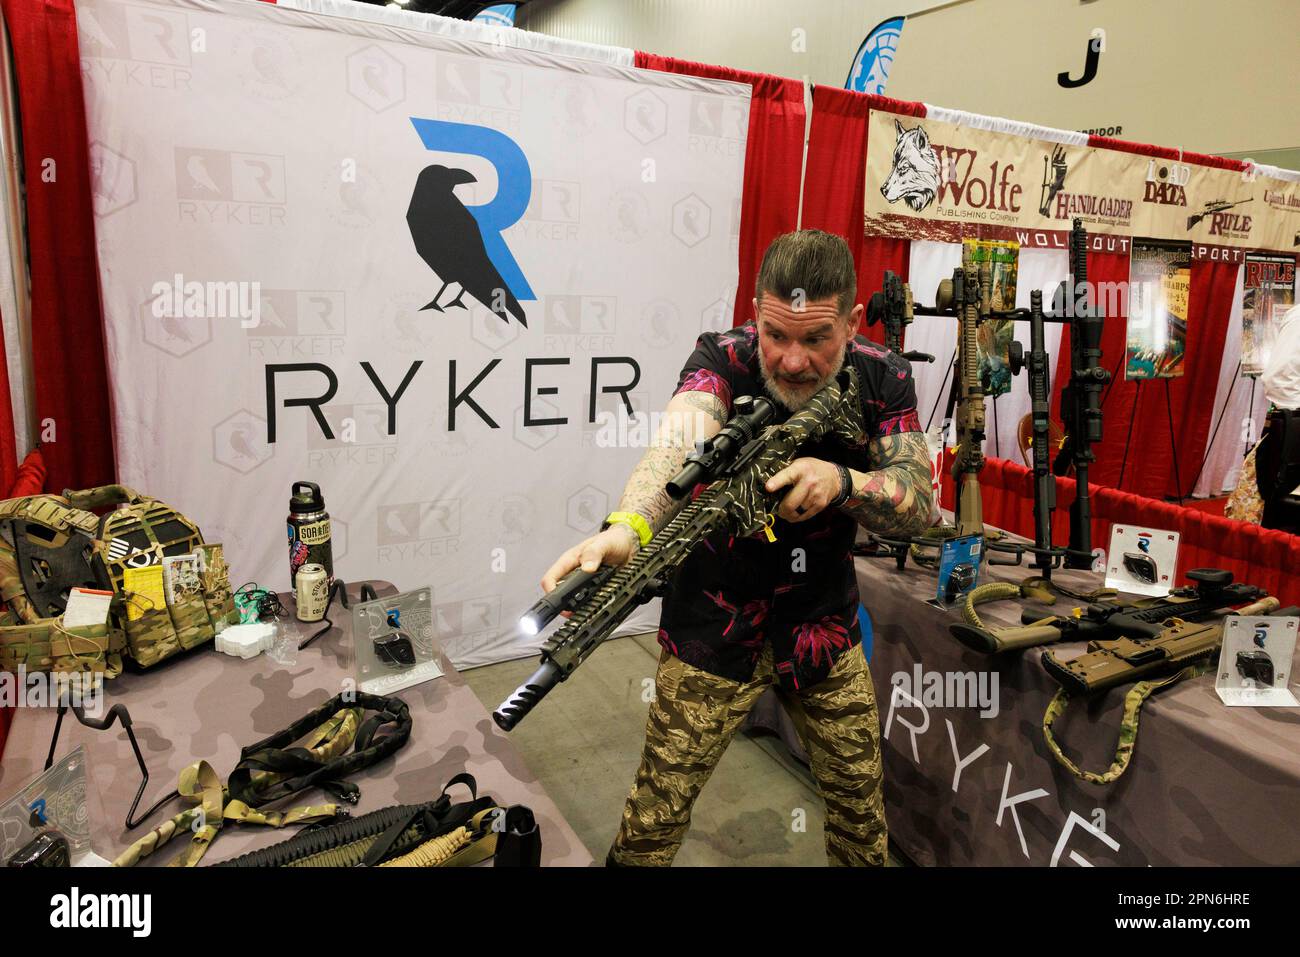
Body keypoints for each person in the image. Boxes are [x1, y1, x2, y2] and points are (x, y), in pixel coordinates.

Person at [541, 229, 933, 866]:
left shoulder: (883, 378)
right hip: (711, 631)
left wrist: (843, 483)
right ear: (756, 313)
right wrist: (627, 530)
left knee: (862, 820)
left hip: (822, 631)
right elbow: (679, 442)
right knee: (652, 822)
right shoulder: (721, 357)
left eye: (816, 338)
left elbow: (920, 504)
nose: (793, 360)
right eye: (777, 336)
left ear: (854, 321)